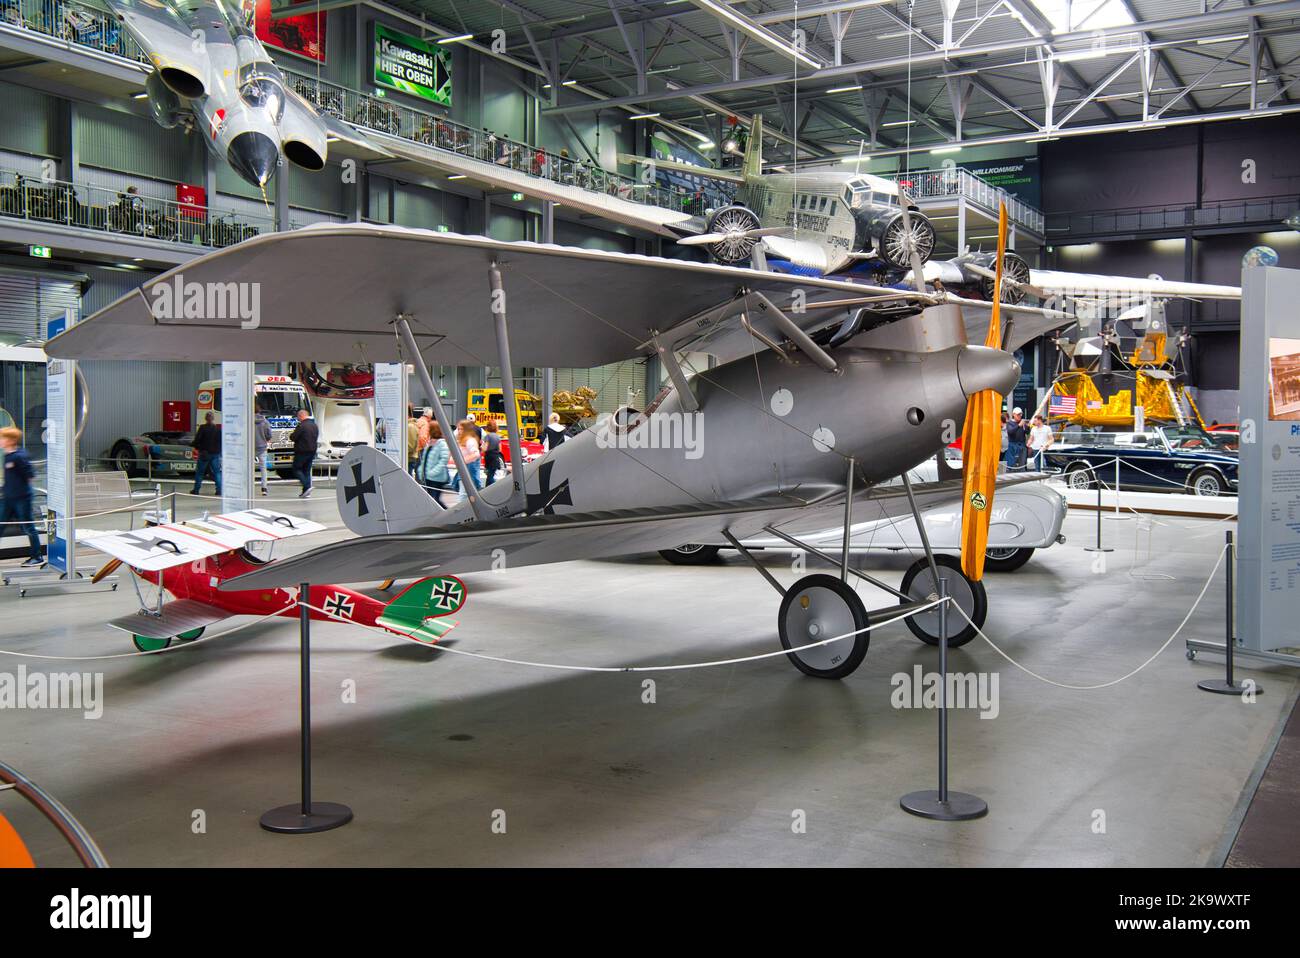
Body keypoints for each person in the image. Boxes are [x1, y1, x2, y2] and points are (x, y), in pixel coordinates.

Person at [1, 427, 44, 567]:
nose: (0, 441)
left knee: (28, 528)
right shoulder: (7, 456)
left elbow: (30, 475)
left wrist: (22, 493)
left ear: (11, 440)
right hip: (8, 499)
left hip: (21, 499)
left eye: (3, 438)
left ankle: (37, 556)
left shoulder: (19, 456)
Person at [417, 422, 452, 504]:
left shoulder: (442, 444)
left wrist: (432, 472)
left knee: (435, 501)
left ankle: (447, 515)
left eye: (429, 428)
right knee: (431, 500)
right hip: (428, 477)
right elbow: (425, 459)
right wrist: (421, 471)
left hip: (437, 479)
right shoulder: (430, 443)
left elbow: (444, 460)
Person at [190, 411, 222, 495]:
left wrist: (195, 446)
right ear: (213, 418)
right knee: (217, 472)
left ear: (205, 418)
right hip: (215, 454)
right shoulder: (217, 429)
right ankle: (219, 490)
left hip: (204, 454)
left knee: (200, 472)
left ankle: (196, 490)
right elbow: (220, 441)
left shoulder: (202, 428)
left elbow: (197, 440)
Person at [289, 408, 318, 498]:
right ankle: (306, 492)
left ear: (301, 416)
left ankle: (306, 486)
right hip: (312, 450)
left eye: (298, 416)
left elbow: (293, 437)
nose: (298, 418)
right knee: (306, 470)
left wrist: (292, 435)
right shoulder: (314, 425)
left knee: (296, 469)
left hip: (302, 451)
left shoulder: (302, 426)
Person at [450, 419, 481, 497]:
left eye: (461, 429)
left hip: (469, 472)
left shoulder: (470, 441)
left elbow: (476, 454)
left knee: (463, 496)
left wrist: (462, 461)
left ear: (466, 430)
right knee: (464, 496)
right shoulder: (463, 440)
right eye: (458, 429)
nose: (459, 431)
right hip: (465, 471)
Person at [254, 411, 272, 496]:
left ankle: (247, 486)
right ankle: (264, 488)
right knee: (263, 468)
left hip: (250, 448)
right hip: (262, 447)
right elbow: (269, 435)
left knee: (248, 468)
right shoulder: (265, 422)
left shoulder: (248, 420)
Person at [481, 420, 504, 485]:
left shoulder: (488, 436)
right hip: (496, 457)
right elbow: (500, 449)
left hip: (489, 457)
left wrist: (480, 449)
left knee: (489, 476)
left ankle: (494, 487)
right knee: (491, 474)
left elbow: (485, 448)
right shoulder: (498, 437)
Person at [406, 404, 420, 477]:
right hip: (407, 459)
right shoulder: (407, 425)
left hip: (409, 460)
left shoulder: (410, 426)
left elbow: (410, 446)